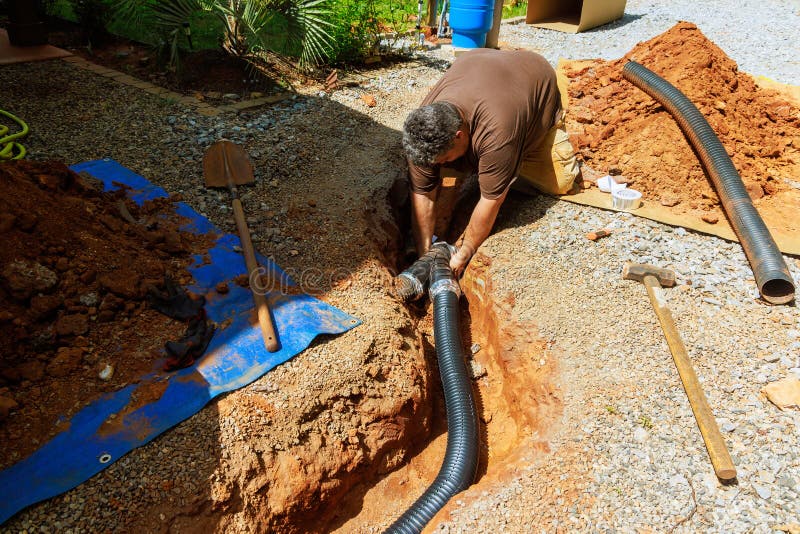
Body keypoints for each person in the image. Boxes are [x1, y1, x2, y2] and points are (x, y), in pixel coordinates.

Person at [402, 48, 581, 276]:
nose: (439, 165)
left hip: (533, 87)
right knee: (441, 167)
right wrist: (424, 254)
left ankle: (512, 162)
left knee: (561, 182)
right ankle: (485, 167)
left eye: (444, 159)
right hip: (482, 68)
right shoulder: (423, 128)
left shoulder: (498, 132)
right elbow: (423, 194)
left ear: (459, 136)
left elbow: (491, 201)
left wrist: (465, 251)